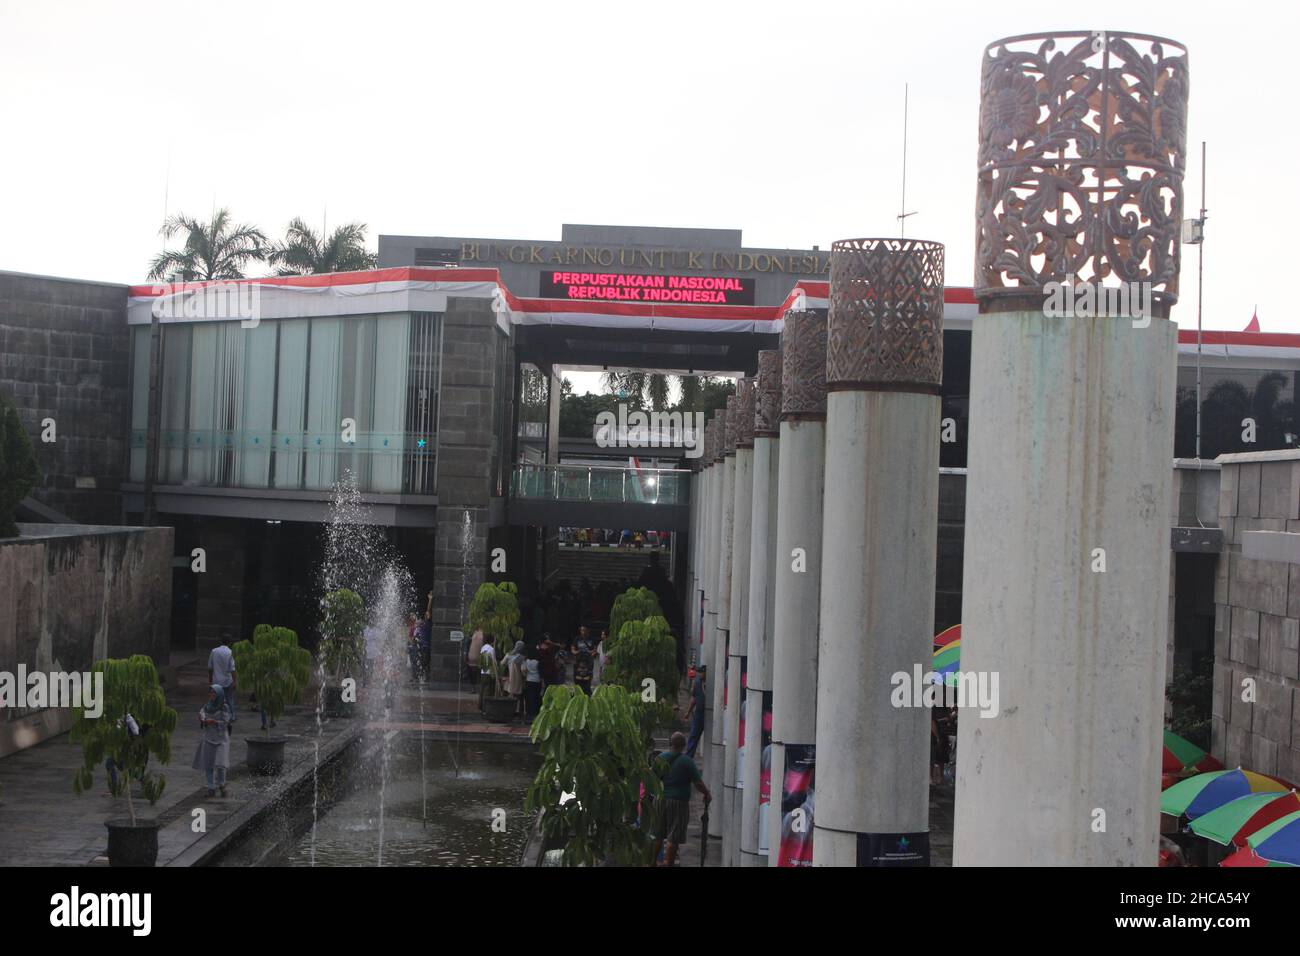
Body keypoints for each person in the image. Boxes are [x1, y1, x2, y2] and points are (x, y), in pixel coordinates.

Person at [650, 731, 711, 867]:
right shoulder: (687, 762)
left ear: (670, 744)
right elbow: (698, 783)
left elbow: (651, 778)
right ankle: (668, 864)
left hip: (660, 800)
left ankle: (652, 862)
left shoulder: (659, 758)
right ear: (683, 746)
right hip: (679, 802)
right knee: (673, 837)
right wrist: (707, 793)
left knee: (657, 835)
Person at [192, 684, 231, 798]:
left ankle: (222, 785)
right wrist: (202, 718)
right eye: (211, 692)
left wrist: (213, 722)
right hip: (209, 737)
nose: (212, 695)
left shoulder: (224, 707)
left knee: (220, 763)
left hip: (221, 739)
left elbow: (225, 722)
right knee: (208, 764)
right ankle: (211, 787)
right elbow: (202, 712)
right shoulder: (208, 705)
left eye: (214, 693)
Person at [207, 635, 237, 734]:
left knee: (216, 699)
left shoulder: (214, 651)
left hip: (216, 680)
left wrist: (210, 678)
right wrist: (235, 681)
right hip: (227, 680)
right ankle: (232, 716)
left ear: (221, 641)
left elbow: (210, 667)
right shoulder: (230, 652)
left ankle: (216, 715)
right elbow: (232, 669)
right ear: (230, 642)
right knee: (229, 699)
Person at [684, 666, 706, 757]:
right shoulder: (697, 684)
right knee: (693, 735)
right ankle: (689, 756)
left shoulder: (712, 684)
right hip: (699, 713)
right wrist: (688, 712)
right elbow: (694, 698)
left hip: (709, 713)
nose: (699, 674)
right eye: (699, 672)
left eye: (701, 672)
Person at [505, 640, 527, 718]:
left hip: (510, 677)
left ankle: (509, 710)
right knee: (517, 695)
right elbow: (523, 669)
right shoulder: (521, 657)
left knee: (510, 693)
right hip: (518, 678)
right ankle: (517, 710)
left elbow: (502, 663)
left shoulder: (508, 655)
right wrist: (525, 675)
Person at [571, 630, 593, 696]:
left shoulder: (591, 639)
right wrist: (577, 652)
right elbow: (573, 649)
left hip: (588, 661)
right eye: (582, 630)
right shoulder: (577, 639)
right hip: (579, 660)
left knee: (587, 685)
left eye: (584, 630)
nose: (583, 632)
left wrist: (590, 652)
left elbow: (594, 650)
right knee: (578, 684)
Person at [523, 649, 542, 718]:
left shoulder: (527, 661)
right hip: (537, 680)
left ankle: (530, 712)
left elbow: (524, 669)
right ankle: (536, 711)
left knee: (530, 697)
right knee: (536, 696)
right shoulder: (537, 662)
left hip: (529, 680)